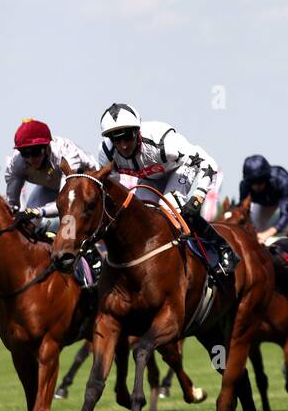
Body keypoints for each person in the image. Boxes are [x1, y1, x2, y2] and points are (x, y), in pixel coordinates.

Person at [96, 103, 238, 279]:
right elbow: (112, 191)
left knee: (173, 211)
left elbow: (207, 162)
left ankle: (223, 249)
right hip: (148, 178)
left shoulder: (164, 142)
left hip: (178, 169)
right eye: (117, 140)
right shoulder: (106, 153)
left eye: (128, 137)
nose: (124, 146)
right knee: (135, 217)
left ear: (137, 132)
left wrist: (198, 197)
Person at [3, 118, 94, 232]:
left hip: (82, 185)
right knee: (28, 222)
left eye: (36, 152)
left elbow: (65, 203)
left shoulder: (66, 155)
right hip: (51, 186)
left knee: (66, 221)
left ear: (47, 148)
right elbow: (12, 205)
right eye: (25, 153)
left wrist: (40, 212)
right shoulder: (16, 162)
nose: (31, 159)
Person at [238, 154, 288, 243]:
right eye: (253, 182)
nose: (257, 186)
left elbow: (285, 214)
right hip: (264, 203)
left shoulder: (283, 181)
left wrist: (267, 234)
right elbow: (243, 213)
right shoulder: (244, 186)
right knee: (253, 228)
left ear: (267, 178)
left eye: (261, 181)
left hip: (285, 197)